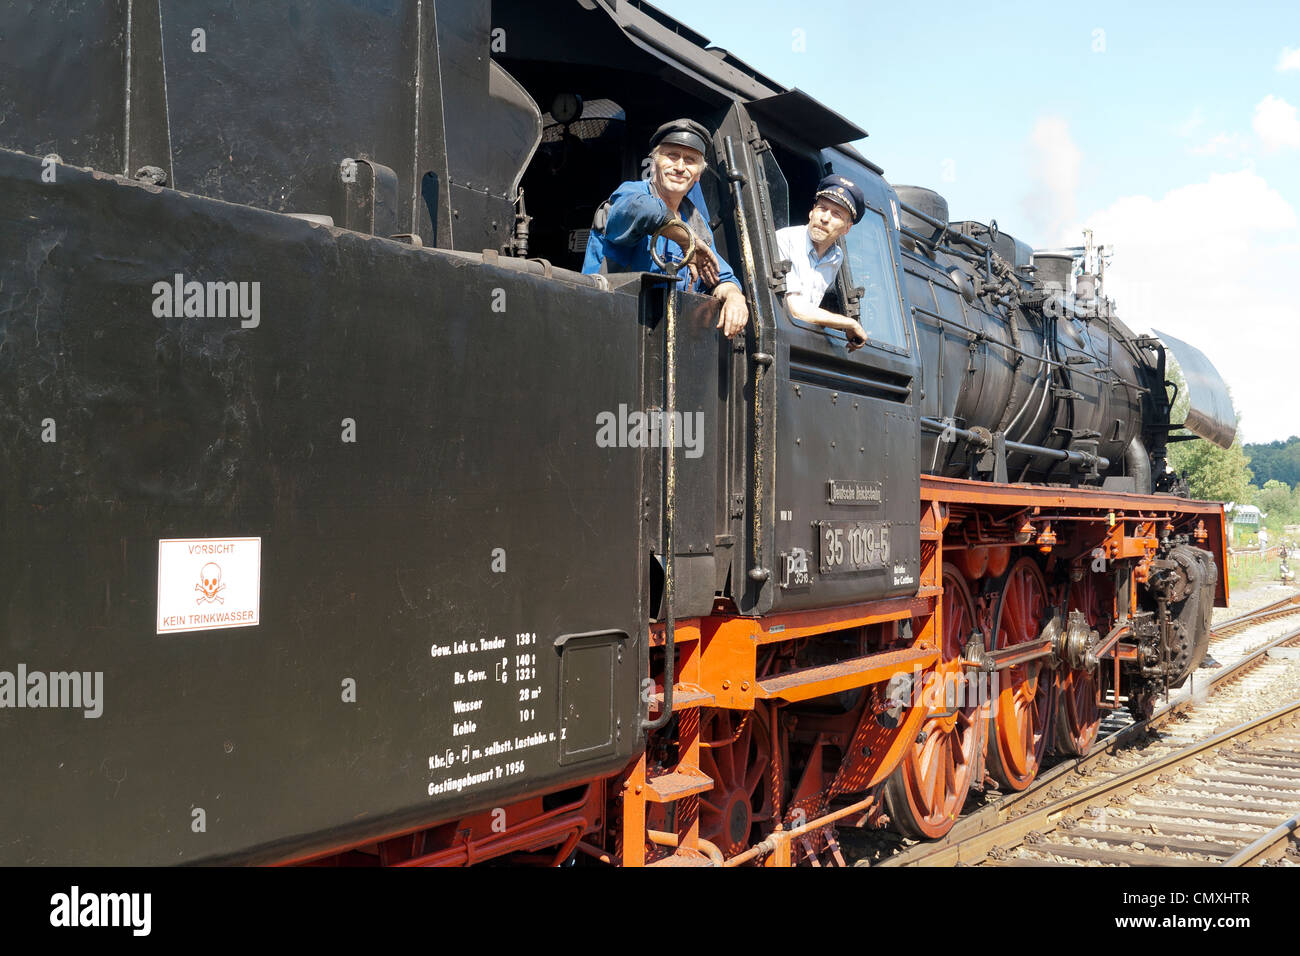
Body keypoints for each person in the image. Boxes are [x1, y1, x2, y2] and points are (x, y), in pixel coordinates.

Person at [582, 119, 748, 338]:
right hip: (608, 329)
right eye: (672, 156)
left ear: (698, 174)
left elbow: (722, 277)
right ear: (654, 163)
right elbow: (645, 212)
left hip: (668, 344)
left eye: (690, 160)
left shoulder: (697, 223)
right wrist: (687, 240)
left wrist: (735, 295)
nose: (680, 167)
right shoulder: (631, 194)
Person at [774, 175, 870, 351]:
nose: (825, 218)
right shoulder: (784, 239)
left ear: (847, 228)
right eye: (822, 208)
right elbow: (796, 309)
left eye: (836, 214)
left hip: (798, 343)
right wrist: (848, 323)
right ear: (812, 212)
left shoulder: (836, 258)